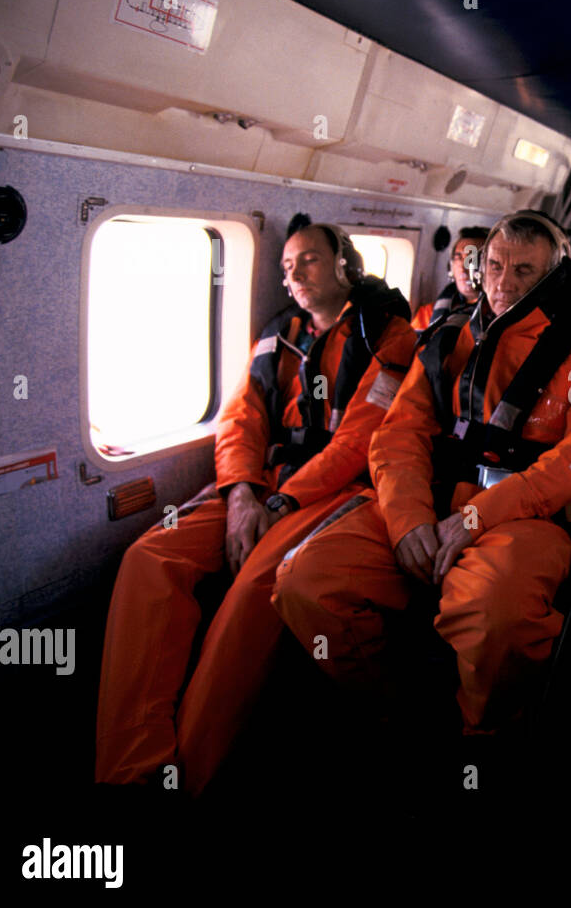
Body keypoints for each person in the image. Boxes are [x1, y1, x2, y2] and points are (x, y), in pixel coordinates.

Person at [271, 210, 571, 734]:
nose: (503, 283)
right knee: (305, 580)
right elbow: (398, 434)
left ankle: (482, 739)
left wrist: (476, 519)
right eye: (495, 266)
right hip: (425, 501)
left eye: (525, 272)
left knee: (495, 616)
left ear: (554, 275)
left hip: (525, 515)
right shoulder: (445, 335)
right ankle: (393, 709)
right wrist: (408, 521)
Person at [95, 214, 417, 793]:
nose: (293, 274)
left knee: (255, 587)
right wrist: (242, 493)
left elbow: (360, 440)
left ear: (344, 262)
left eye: (309, 260)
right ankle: (131, 768)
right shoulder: (279, 332)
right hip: (264, 480)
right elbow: (241, 417)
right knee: (150, 556)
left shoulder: (389, 334)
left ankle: (185, 779)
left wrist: (286, 501)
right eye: (287, 265)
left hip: (337, 490)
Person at [412, 226, 488, 331]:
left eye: (473, 259)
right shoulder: (428, 313)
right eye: (458, 258)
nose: (463, 267)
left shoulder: (498, 316)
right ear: (450, 267)